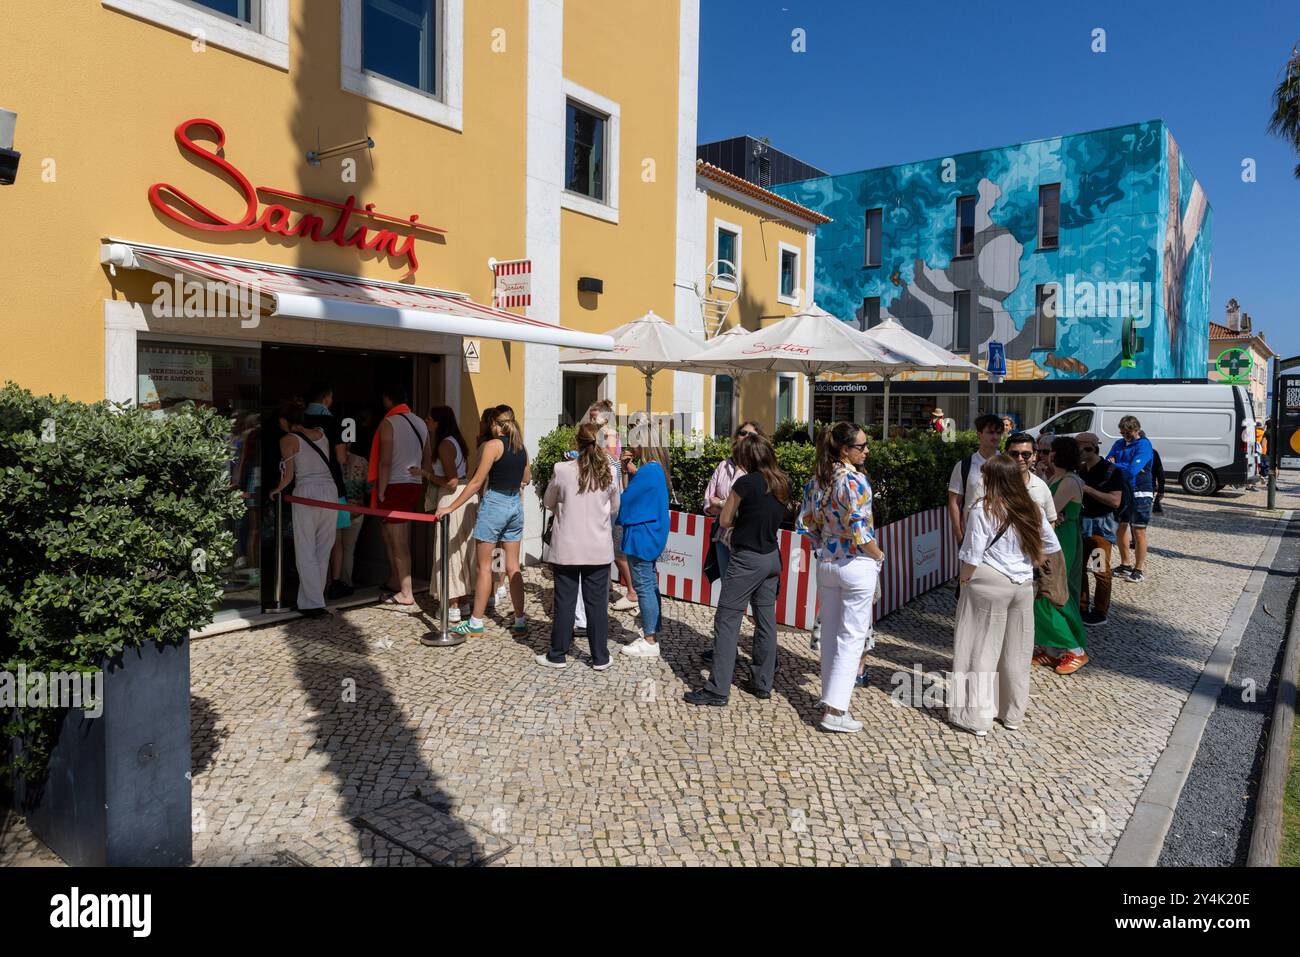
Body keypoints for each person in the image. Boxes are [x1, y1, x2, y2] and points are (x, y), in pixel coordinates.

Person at [950, 454, 1061, 736]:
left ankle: (976, 718)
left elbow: (972, 556)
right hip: (1022, 584)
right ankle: (1011, 713)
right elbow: (1051, 544)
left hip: (988, 579)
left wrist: (962, 582)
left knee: (980, 649)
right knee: (1017, 652)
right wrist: (1030, 562)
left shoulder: (982, 509)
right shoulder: (1032, 508)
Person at [685, 434, 790, 706]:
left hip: (746, 559)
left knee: (727, 620)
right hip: (771, 556)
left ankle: (718, 689)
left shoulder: (745, 483)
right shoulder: (781, 483)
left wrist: (734, 511)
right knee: (766, 622)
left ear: (748, 457)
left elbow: (724, 518)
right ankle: (762, 682)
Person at [797, 422, 885, 733]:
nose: (867, 450)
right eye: (861, 446)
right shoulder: (855, 481)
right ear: (844, 450)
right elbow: (861, 530)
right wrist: (878, 555)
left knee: (833, 636)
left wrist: (822, 548)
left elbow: (805, 524)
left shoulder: (818, 480)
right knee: (851, 638)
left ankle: (829, 700)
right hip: (855, 563)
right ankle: (835, 710)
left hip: (828, 563)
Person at [435, 406, 531, 636]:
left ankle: (476, 622)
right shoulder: (521, 446)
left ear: (494, 424)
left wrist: (451, 506)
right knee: (512, 567)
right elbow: (526, 478)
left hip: (495, 503)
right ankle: (520, 619)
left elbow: (476, 482)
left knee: (484, 567)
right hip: (515, 504)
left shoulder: (492, 446)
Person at [537, 422, 621, 670]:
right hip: (597, 546)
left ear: (578, 443)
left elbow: (548, 500)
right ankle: (600, 657)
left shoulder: (562, 469)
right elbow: (615, 506)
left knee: (565, 601)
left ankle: (558, 654)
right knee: (597, 604)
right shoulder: (610, 471)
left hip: (568, 547)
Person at [269, 399, 337, 618]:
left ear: (284, 420)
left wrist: (275, 490)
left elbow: (288, 477)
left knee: (305, 548)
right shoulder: (321, 433)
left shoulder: (288, 439)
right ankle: (312, 599)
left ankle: (313, 603)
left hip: (307, 492)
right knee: (323, 548)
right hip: (329, 492)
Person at [412, 405, 475, 628]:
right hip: (464, 498)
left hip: (451, 498)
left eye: (429, 419)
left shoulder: (446, 444)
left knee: (448, 552)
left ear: (438, 422)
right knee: (460, 550)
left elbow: (451, 480)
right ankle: (463, 600)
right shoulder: (456, 441)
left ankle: (452, 606)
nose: (426, 421)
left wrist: (426, 475)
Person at [1032, 437, 1089, 674]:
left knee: (1051, 592)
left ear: (1058, 454)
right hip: (1058, 535)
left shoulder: (1068, 481)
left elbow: (1048, 511)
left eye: (1047, 451)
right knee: (1049, 592)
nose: (1043, 455)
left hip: (1061, 539)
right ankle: (1052, 648)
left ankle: (1074, 649)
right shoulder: (1059, 477)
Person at [369, 383, 428, 610]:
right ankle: (396, 579)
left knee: (398, 540)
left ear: (387, 399)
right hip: (413, 483)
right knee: (391, 534)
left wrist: (381, 489)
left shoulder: (388, 423)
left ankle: (406, 591)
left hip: (395, 484)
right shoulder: (420, 422)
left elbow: (385, 461)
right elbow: (427, 456)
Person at [617, 441, 671, 658]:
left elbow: (625, 500)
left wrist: (625, 474)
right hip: (650, 534)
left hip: (642, 536)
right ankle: (653, 632)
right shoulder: (654, 469)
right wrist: (629, 471)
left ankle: (649, 640)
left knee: (644, 586)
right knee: (650, 584)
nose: (630, 446)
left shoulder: (648, 471)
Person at [703, 421, 764, 582]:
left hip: (746, 540)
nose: (746, 437)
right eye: (743, 433)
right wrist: (726, 506)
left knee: (744, 587)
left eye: (751, 435)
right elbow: (708, 503)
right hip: (722, 538)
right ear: (736, 437)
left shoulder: (758, 471)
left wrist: (721, 503)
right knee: (727, 587)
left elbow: (750, 509)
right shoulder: (723, 466)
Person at [1075, 432, 1125, 627]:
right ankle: (1082, 606)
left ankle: (1100, 612)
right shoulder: (1080, 470)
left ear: (1090, 448)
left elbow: (1115, 500)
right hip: (1082, 526)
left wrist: (1087, 489)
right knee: (1079, 568)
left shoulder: (1110, 471)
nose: (1077, 453)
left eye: (1079, 448)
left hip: (1099, 529)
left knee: (1099, 570)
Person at [1108, 416, 1154, 583]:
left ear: (1137, 430)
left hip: (1141, 492)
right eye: (1122, 433)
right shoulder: (1119, 443)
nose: (1125, 436)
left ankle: (1139, 569)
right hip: (1123, 490)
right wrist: (1116, 465)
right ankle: (1125, 565)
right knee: (1120, 528)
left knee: (1138, 531)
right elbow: (1107, 462)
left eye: (1128, 433)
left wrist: (1116, 465)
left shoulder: (1144, 445)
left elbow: (1132, 470)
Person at [947, 414, 1004, 545]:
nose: (995, 437)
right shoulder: (963, 466)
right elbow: (954, 502)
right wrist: (959, 536)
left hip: (1003, 537)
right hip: (972, 536)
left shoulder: (1008, 465)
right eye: (990, 432)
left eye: (998, 433)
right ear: (979, 434)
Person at [475, 406, 509, 610]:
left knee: (486, 561)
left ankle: (489, 595)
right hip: (511, 501)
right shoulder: (517, 445)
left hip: (491, 501)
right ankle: (499, 585)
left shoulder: (488, 446)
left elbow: (477, 479)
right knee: (501, 551)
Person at [1003, 432, 1058, 525]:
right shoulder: (992, 483)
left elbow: (1050, 522)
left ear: (1034, 456)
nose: (1020, 458)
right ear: (1006, 454)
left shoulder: (1041, 487)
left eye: (1026, 454)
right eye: (1014, 454)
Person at [337, 438, 369, 591]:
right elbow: (369, 488)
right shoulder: (361, 461)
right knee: (349, 549)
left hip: (334, 509)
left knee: (331, 549)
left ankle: (330, 585)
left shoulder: (331, 460)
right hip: (356, 509)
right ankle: (346, 583)